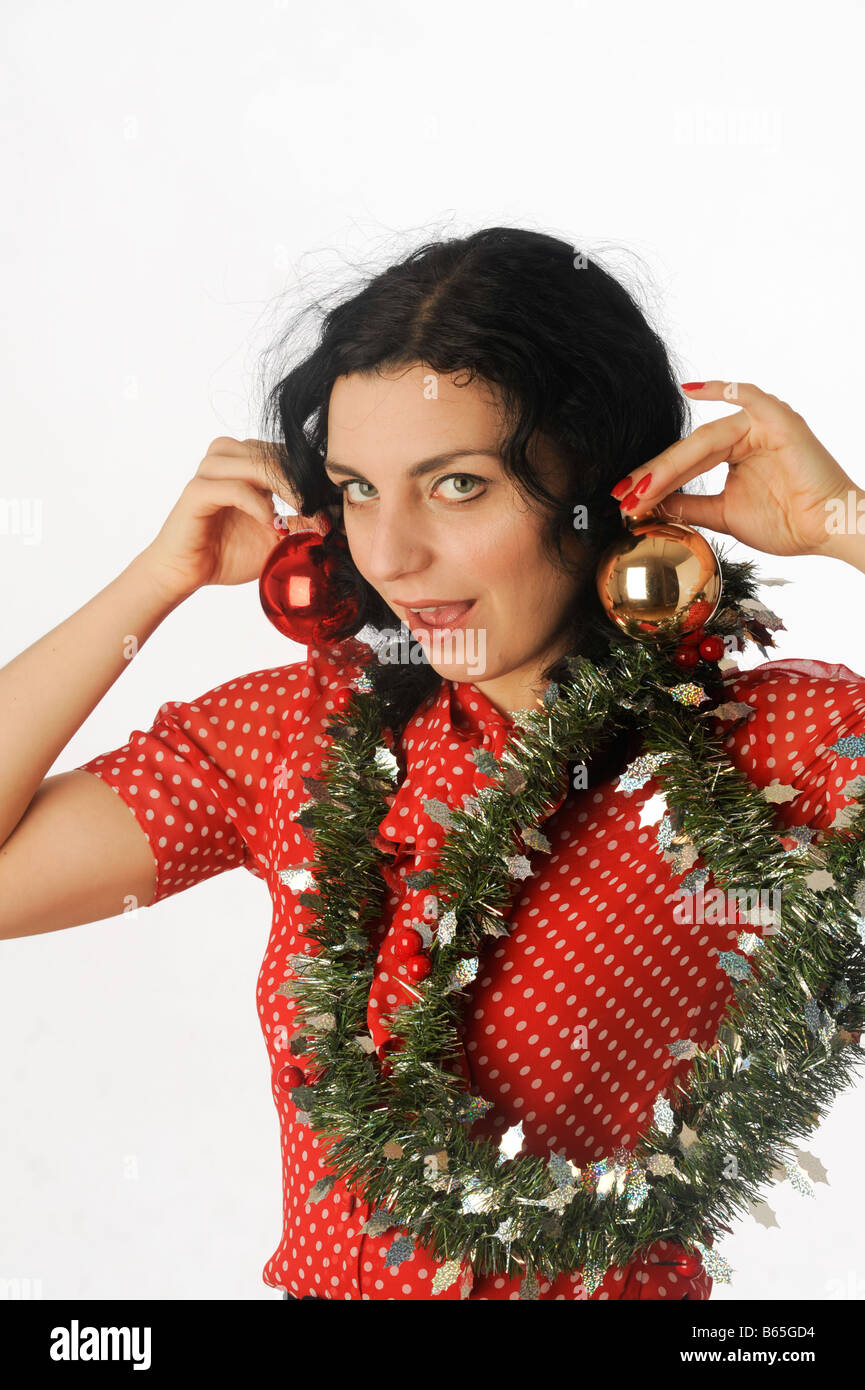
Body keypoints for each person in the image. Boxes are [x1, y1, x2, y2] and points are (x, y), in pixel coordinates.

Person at [2, 227, 864, 1301]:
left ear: (605, 488)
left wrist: (846, 526)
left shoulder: (752, 742)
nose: (392, 556)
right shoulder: (305, 735)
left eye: (457, 486)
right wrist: (151, 582)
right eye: (359, 489)